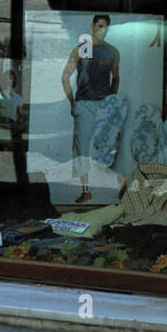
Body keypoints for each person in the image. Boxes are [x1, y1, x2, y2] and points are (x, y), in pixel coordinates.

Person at [61, 14, 123, 205]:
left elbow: (116, 78)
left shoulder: (113, 51)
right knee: (82, 150)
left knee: (107, 147)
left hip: (104, 105)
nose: (103, 31)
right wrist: (73, 103)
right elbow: (65, 76)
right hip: (85, 104)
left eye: (106, 27)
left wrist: (111, 101)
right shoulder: (79, 50)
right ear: (92, 26)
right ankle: (86, 191)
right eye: (100, 26)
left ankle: (116, 185)